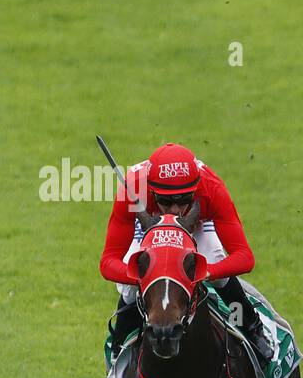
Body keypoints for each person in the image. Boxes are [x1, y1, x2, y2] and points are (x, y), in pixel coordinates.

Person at [100, 142, 274, 360]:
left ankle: (251, 327)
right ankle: (119, 348)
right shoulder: (132, 189)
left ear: (196, 189)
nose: (175, 210)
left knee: (217, 262)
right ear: (151, 191)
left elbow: (245, 258)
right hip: (151, 227)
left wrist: (206, 271)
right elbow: (108, 262)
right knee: (129, 287)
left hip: (197, 224)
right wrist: (141, 277)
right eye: (164, 201)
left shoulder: (212, 188)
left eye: (184, 200)